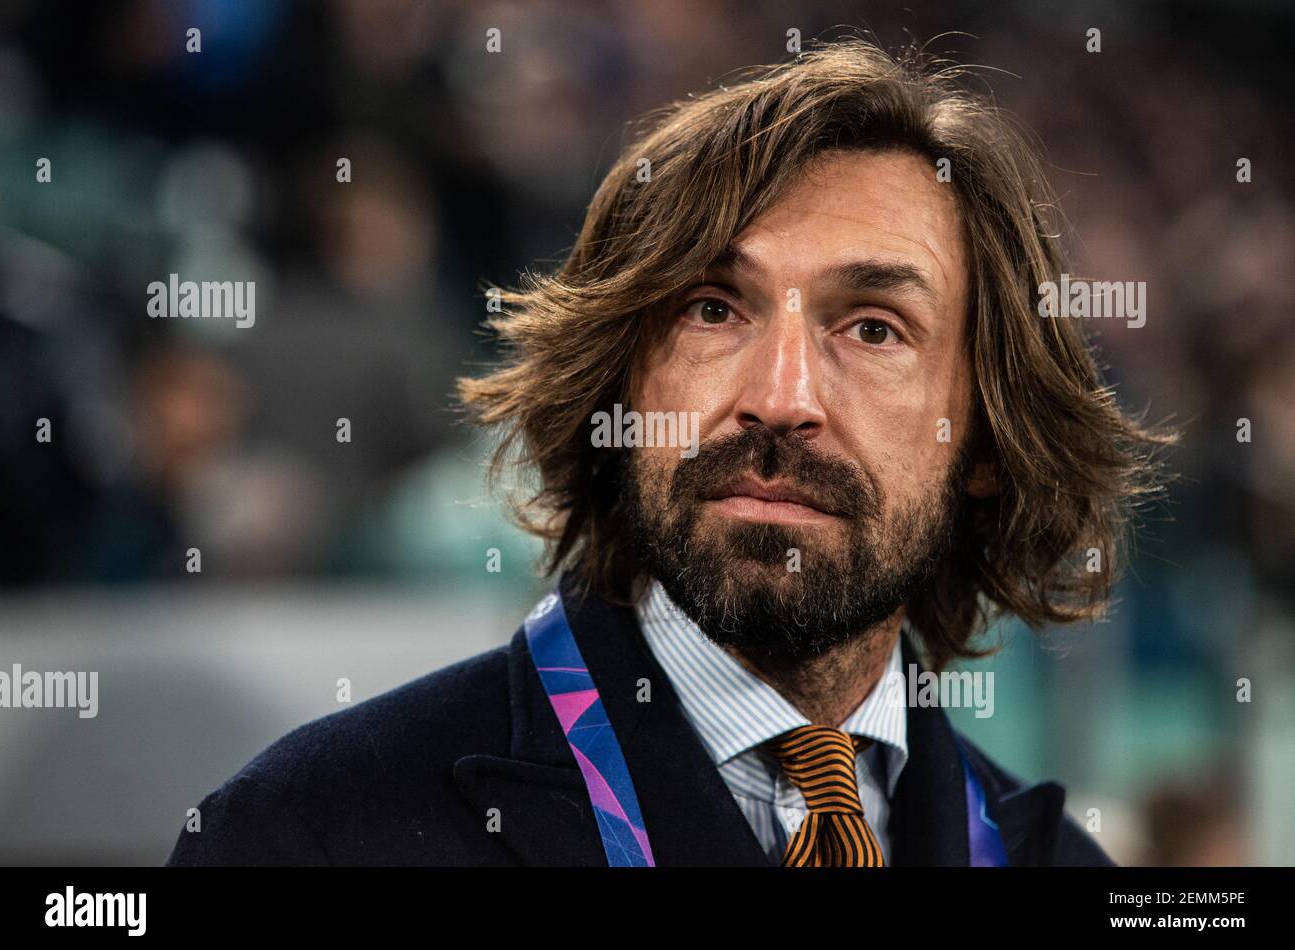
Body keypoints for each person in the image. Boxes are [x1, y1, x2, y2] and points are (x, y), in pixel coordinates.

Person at [167, 39, 1170, 867]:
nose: (779, 399)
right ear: (617, 382)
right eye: (711, 308)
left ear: (989, 440)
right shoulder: (308, 833)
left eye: (872, 328)